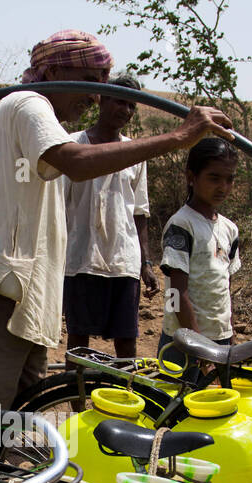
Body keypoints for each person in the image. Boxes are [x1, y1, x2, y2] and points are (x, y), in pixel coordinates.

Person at [0, 29, 233, 458]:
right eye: (89, 79)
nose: (94, 97)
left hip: (22, 298)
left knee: (10, 419)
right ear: (53, 71)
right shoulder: (28, 104)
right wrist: (177, 138)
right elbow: (75, 163)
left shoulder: (37, 119)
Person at [61, 73, 158, 363]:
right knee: (78, 342)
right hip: (80, 259)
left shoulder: (135, 153)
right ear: (101, 99)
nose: (125, 111)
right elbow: (57, 205)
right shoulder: (72, 145)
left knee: (127, 343)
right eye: (120, 102)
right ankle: (76, 405)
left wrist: (146, 262)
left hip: (123, 260)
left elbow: (140, 211)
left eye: (131, 106)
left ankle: (126, 405)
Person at [157, 137, 242, 372]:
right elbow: (175, 291)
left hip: (219, 338)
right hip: (183, 341)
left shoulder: (229, 229)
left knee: (214, 406)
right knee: (175, 404)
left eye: (229, 179)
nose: (223, 187)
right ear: (191, 177)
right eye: (214, 178)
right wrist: (196, 343)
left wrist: (229, 332)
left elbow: (225, 286)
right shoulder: (182, 225)